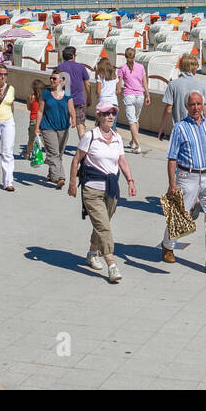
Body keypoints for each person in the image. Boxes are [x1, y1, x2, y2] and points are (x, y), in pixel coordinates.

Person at [68, 100, 137, 284]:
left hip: (111, 189)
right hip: (92, 189)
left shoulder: (117, 137)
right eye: (106, 114)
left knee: (101, 225)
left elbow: (121, 161)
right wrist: (72, 183)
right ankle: (112, 265)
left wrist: (130, 180)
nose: (110, 117)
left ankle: (92, 253)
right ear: (98, 116)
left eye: (113, 114)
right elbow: (76, 160)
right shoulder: (90, 136)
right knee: (104, 227)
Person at [161, 91, 206, 277]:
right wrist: (172, 184)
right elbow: (172, 158)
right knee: (180, 215)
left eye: (199, 104)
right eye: (192, 105)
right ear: (186, 107)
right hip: (187, 176)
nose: (196, 108)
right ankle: (167, 245)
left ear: (204, 105)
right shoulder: (180, 128)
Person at [160, 53, 206, 138]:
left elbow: (168, 110)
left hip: (180, 130)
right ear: (193, 69)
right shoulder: (202, 85)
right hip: (198, 130)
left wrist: (162, 128)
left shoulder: (173, 85)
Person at [38, 71, 72, 187]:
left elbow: (71, 109)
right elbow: (40, 111)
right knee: (54, 153)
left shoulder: (67, 94)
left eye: (54, 79)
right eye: (50, 78)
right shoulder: (45, 94)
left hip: (63, 127)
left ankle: (52, 174)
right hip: (47, 127)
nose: (51, 80)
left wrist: (74, 119)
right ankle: (60, 177)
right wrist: (37, 127)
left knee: (59, 154)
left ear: (61, 81)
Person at [54, 46, 92, 139]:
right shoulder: (81, 67)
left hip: (64, 100)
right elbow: (87, 84)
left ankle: (59, 147)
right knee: (80, 124)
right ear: (74, 56)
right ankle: (83, 148)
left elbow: (55, 84)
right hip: (79, 100)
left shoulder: (60, 68)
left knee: (62, 124)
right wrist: (89, 97)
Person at [117, 47, 148, 153]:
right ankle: (133, 141)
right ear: (134, 56)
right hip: (140, 96)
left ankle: (138, 145)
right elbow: (144, 83)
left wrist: (117, 92)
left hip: (129, 95)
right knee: (135, 120)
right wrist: (147, 95)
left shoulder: (122, 68)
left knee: (132, 121)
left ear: (125, 56)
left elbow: (119, 83)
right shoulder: (141, 67)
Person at [92, 57, 119, 128]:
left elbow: (98, 91)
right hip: (113, 101)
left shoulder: (100, 75)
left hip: (103, 101)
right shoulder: (115, 75)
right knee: (112, 124)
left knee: (101, 124)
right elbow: (118, 90)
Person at [24, 78, 45, 159]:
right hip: (42, 120)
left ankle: (28, 154)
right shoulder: (43, 98)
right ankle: (49, 155)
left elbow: (29, 108)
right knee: (43, 139)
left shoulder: (31, 97)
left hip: (33, 120)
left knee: (31, 139)